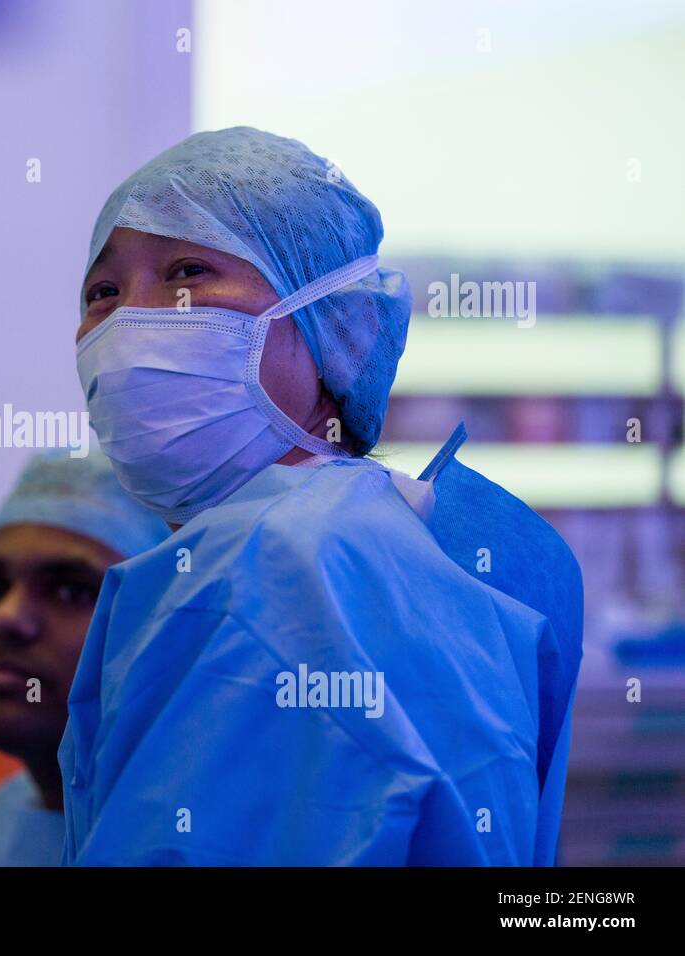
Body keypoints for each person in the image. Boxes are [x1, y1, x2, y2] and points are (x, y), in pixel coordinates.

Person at [64, 126, 582, 865]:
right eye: (103, 291)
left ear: (333, 325)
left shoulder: (278, 567)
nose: (134, 318)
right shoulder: (380, 540)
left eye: (187, 272)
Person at [0, 449, 170, 866]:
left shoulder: (189, 839)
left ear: (166, 630)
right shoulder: (4, 823)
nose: (6, 619)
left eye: (71, 591)